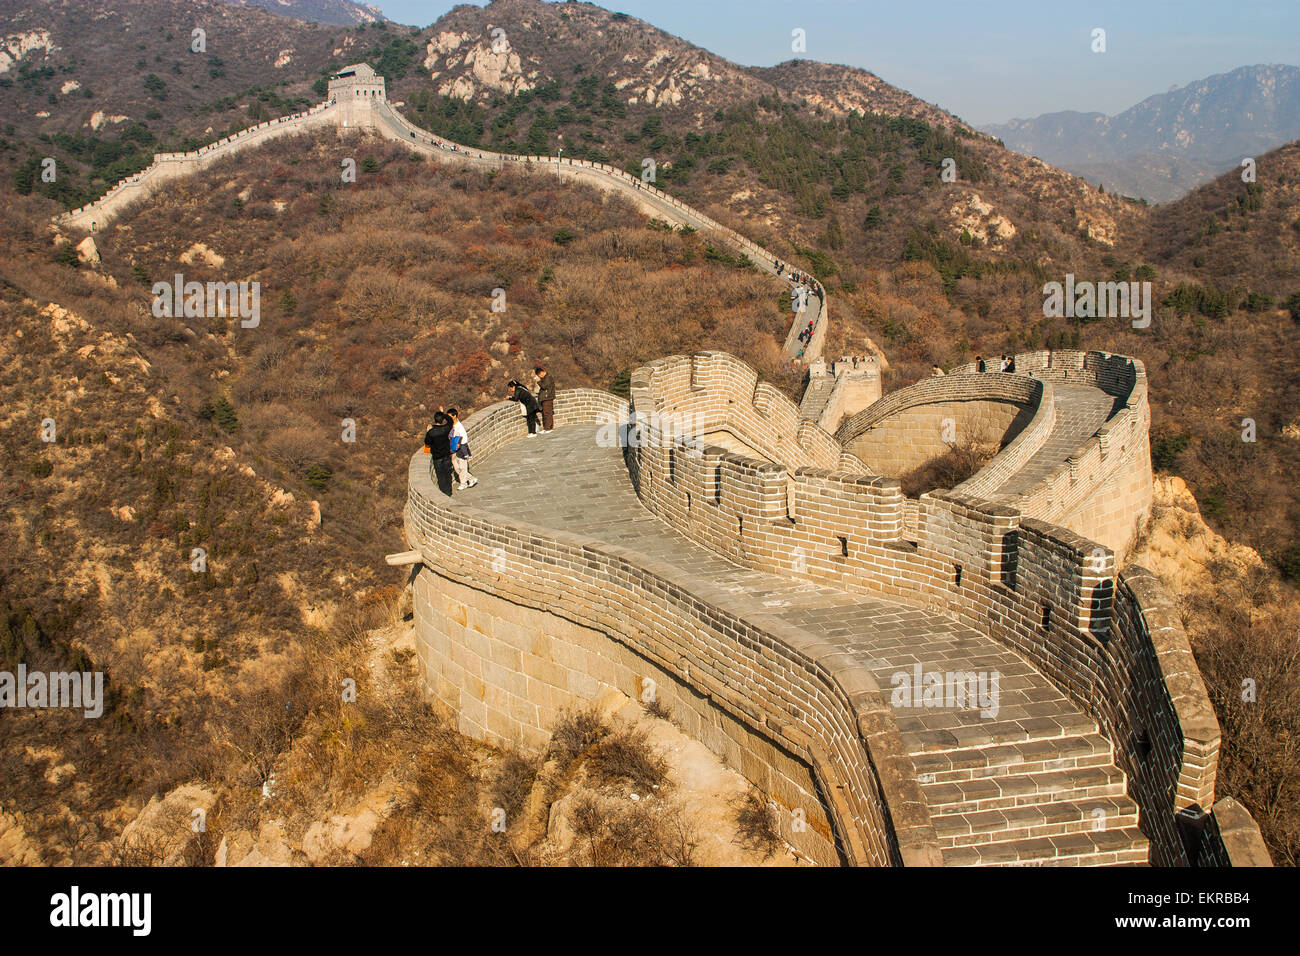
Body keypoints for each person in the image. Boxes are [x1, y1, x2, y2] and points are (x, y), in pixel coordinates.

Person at [424, 410, 455, 496]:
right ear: (442, 420)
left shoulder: (431, 432)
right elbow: (451, 421)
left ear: (435, 420)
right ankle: (449, 491)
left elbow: (427, 442)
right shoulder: (446, 429)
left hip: (437, 457)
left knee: (440, 476)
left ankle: (444, 494)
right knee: (448, 474)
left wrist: (428, 431)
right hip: (446, 455)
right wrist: (443, 414)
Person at [448, 408, 477, 490]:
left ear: (455, 416)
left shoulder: (459, 427)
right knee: (456, 467)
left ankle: (463, 483)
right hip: (454, 449)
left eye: (450, 416)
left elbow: (464, 440)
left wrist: (465, 452)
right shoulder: (452, 426)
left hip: (460, 449)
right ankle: (471, 478)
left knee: (462, 467)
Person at [534, 365, 556, 433]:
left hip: (547, 398)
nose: (539, 377)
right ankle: (549, 427)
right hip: (546, 397)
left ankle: (547, 428)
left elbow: (544, 386)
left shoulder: (548, 377)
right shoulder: (546, 378)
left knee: (547, 413)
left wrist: (538, 381)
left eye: (539, 375)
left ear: (541, 372)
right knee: (548, 412)